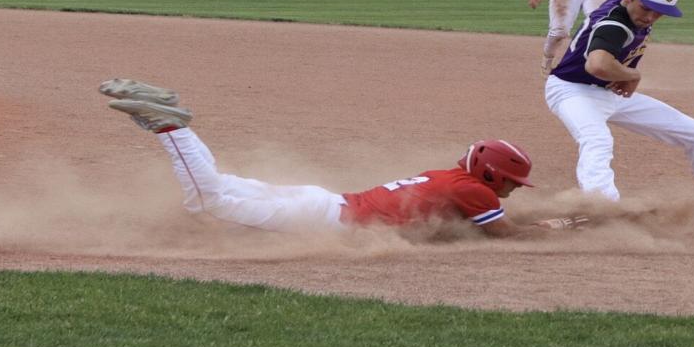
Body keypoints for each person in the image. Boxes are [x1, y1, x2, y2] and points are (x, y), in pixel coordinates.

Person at [99, 79, 585, 237]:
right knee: (210, 199)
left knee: (219, 187)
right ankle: (170, 126)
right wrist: (556, 228)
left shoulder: (450, 176)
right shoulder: (474, 191)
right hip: (326, 215)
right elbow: (504, 233)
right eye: (512, 182)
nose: (513, 189)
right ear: (491, 174)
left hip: (326, 203)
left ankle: (172, 123)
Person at [544, 0, 694, 207]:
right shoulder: (614, 25)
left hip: (611, 93)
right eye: (646, 9)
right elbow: (597, 65)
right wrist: (632, 74)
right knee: (597, 140)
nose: (650, 17)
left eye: (658, 12)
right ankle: (603, 208)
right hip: (573, 91)